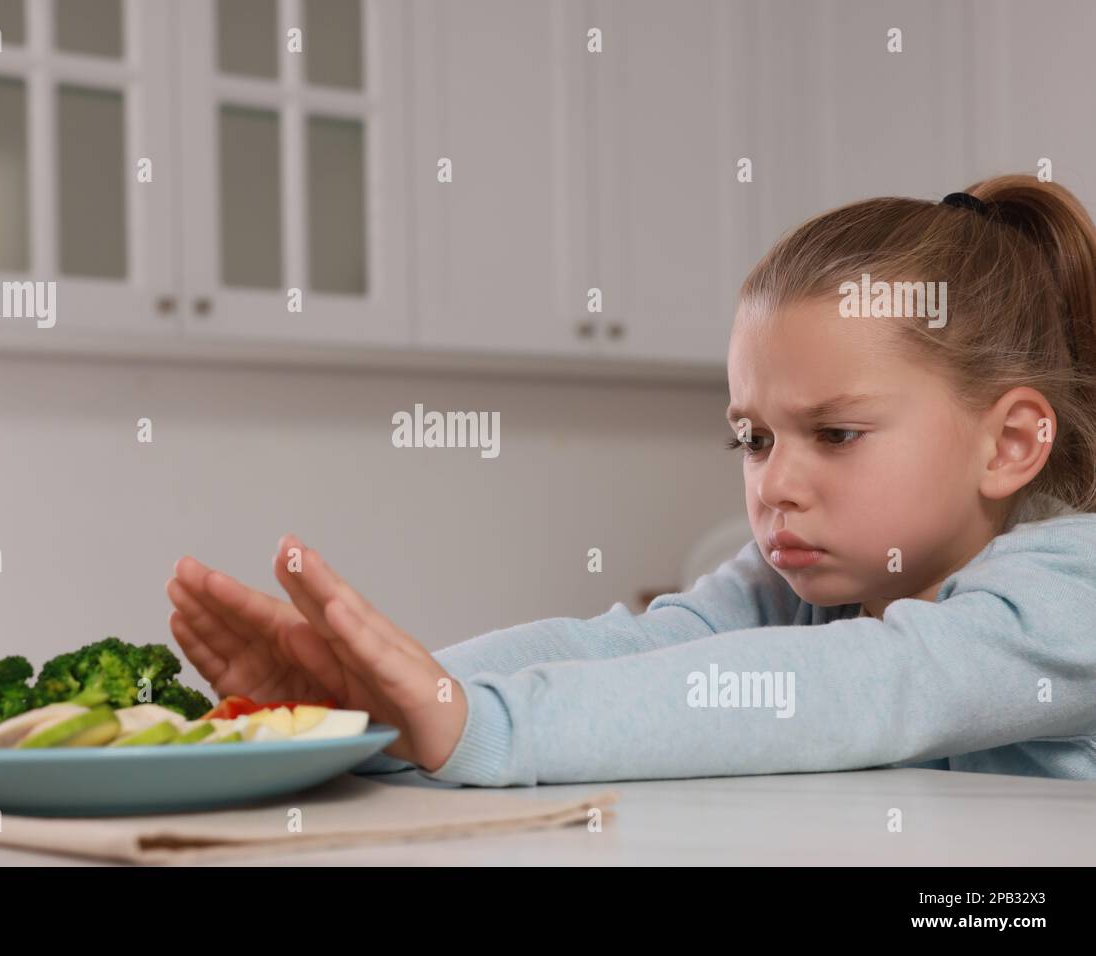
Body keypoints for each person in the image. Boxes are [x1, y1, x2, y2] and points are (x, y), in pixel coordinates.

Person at [167, 174, 1096, 786]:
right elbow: (635, 651)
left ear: (1010, 443)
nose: (777, 485)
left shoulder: (1070, 592)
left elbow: (860, 687)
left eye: (837, 433)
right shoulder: (800, 582)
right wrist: (372, 706)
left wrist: (473, 724)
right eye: (754, 440)